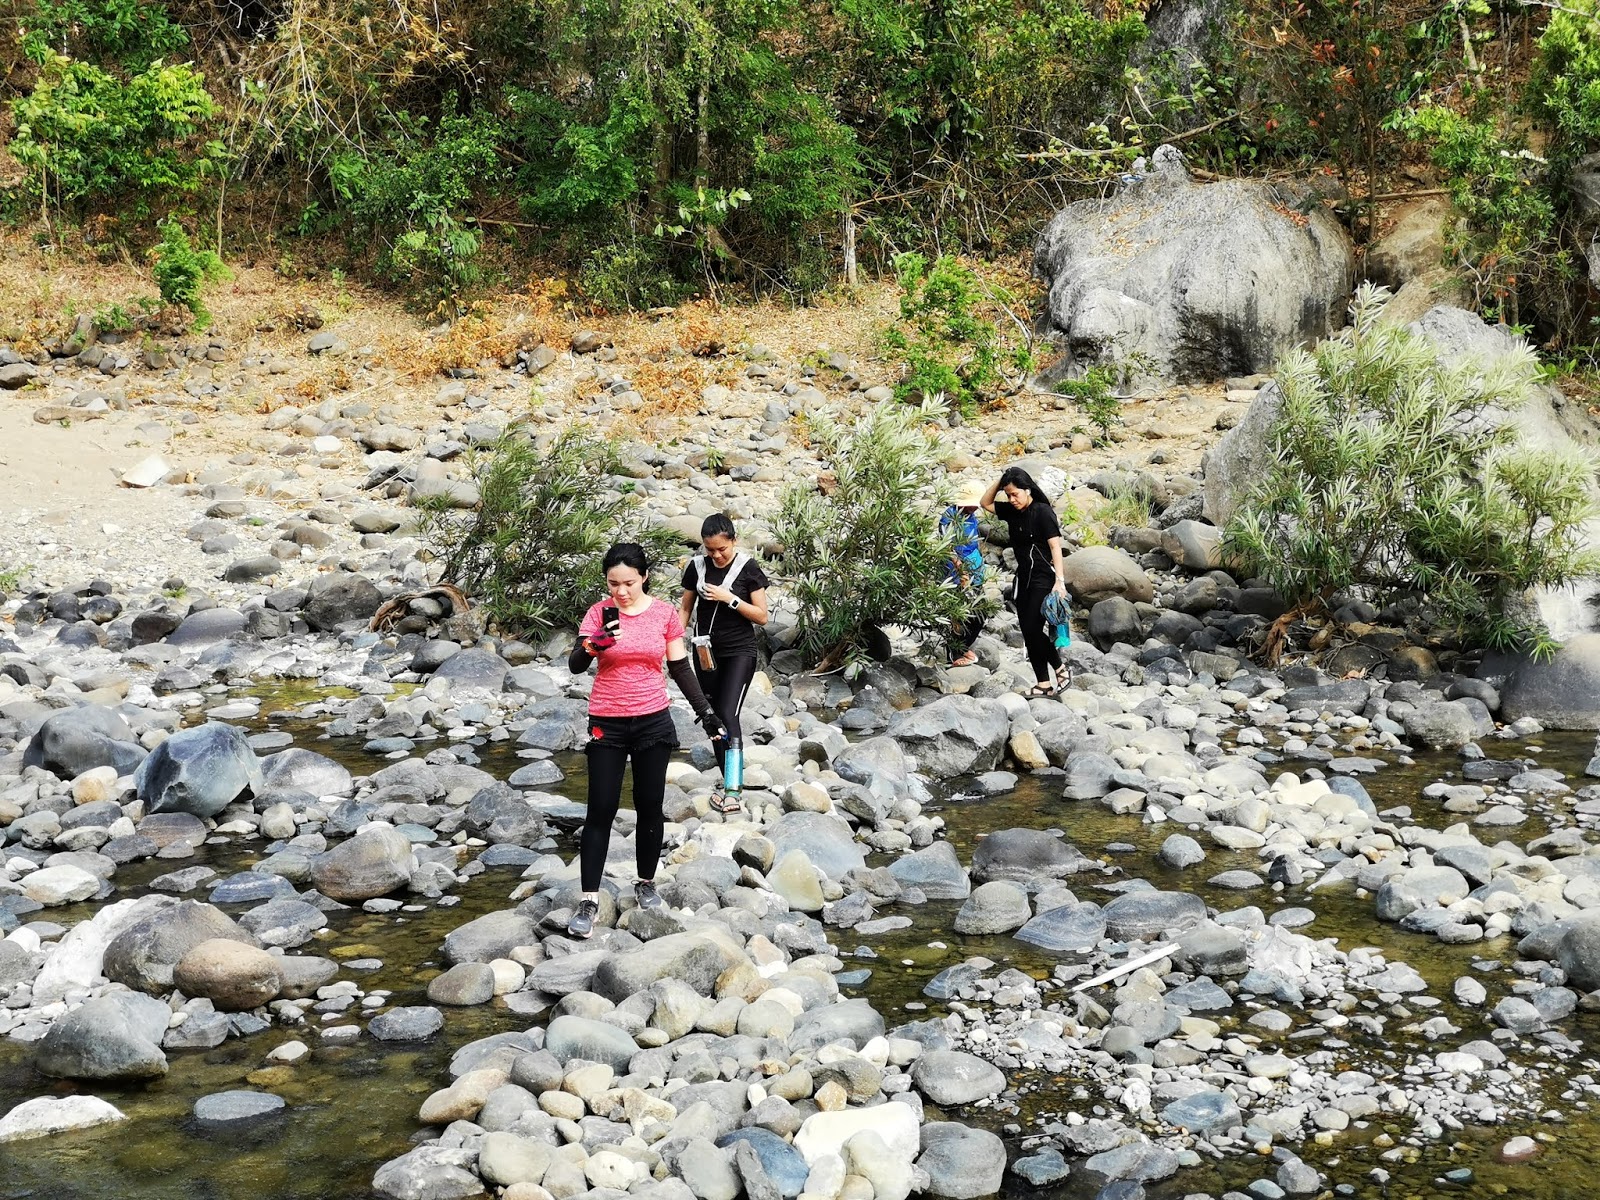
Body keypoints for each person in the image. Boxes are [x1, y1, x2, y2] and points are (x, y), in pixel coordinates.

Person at [566, 542, 725, 938]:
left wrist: (706, 713)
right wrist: (595, 642)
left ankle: (645, 883)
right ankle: (589, 900)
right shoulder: (598, 613)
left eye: (629, 583)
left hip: (653, 719)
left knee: (649, 805)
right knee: (600, 809)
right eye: (613, 583)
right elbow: (575, 665)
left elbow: (680, 668)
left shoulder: (664, 614)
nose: (621, 592)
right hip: (607, 721)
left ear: (645, 577)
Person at [679, 514, 770, 814]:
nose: (716, 555)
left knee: (729, 714)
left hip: (739, 652)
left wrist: (729, 598)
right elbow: (685, 608)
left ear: (734, 540)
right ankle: (726, 778)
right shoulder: (696, 567)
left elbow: (762, 616)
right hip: (705, 652)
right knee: (713, 717)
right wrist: (672, 639)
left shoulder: (749, 569)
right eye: (710, 550)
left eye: (722, 549)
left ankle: (733, 789)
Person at [982, 466, 1068, 696]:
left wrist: (1060, 582)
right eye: (1008, 495)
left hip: (1043, 578)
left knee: (1032, 628)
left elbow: (1055, 547)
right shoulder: (1011, 511)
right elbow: (985, 503)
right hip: (1023, 579)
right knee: (1029, 633)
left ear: (1027, 489)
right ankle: (1044, 683)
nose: (1011, 499)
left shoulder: (1042, 512)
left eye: (1015, 494)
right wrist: (1002, 480)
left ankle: (1060, 668)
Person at [942, 480, 987, 667]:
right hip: (957, 570)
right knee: (960, 612)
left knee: (981, 609)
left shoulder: (971, 515)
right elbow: (948, 547)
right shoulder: (950, 517)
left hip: (974, 566)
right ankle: (955, 652)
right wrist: (962, 572)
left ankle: (962, 646)